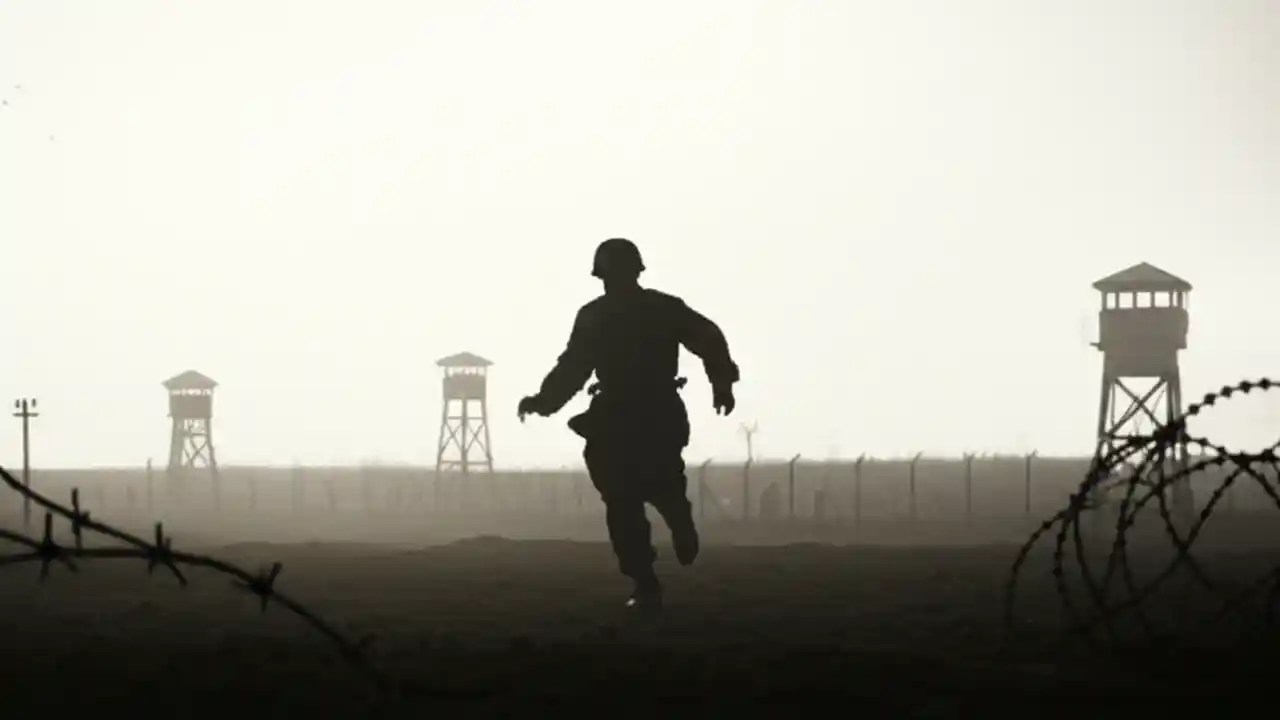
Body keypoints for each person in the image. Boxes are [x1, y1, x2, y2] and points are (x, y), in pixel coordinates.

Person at [518, 238, 739, 611]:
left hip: (630, 416)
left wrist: (545, 402)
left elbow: (573, 367)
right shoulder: (659, 309)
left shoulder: (601, 315)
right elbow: (709, 338)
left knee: (629, 499)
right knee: (635, 494)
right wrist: (721, 383)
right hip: (645, 414)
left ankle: (652, 568)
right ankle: (661, 549)